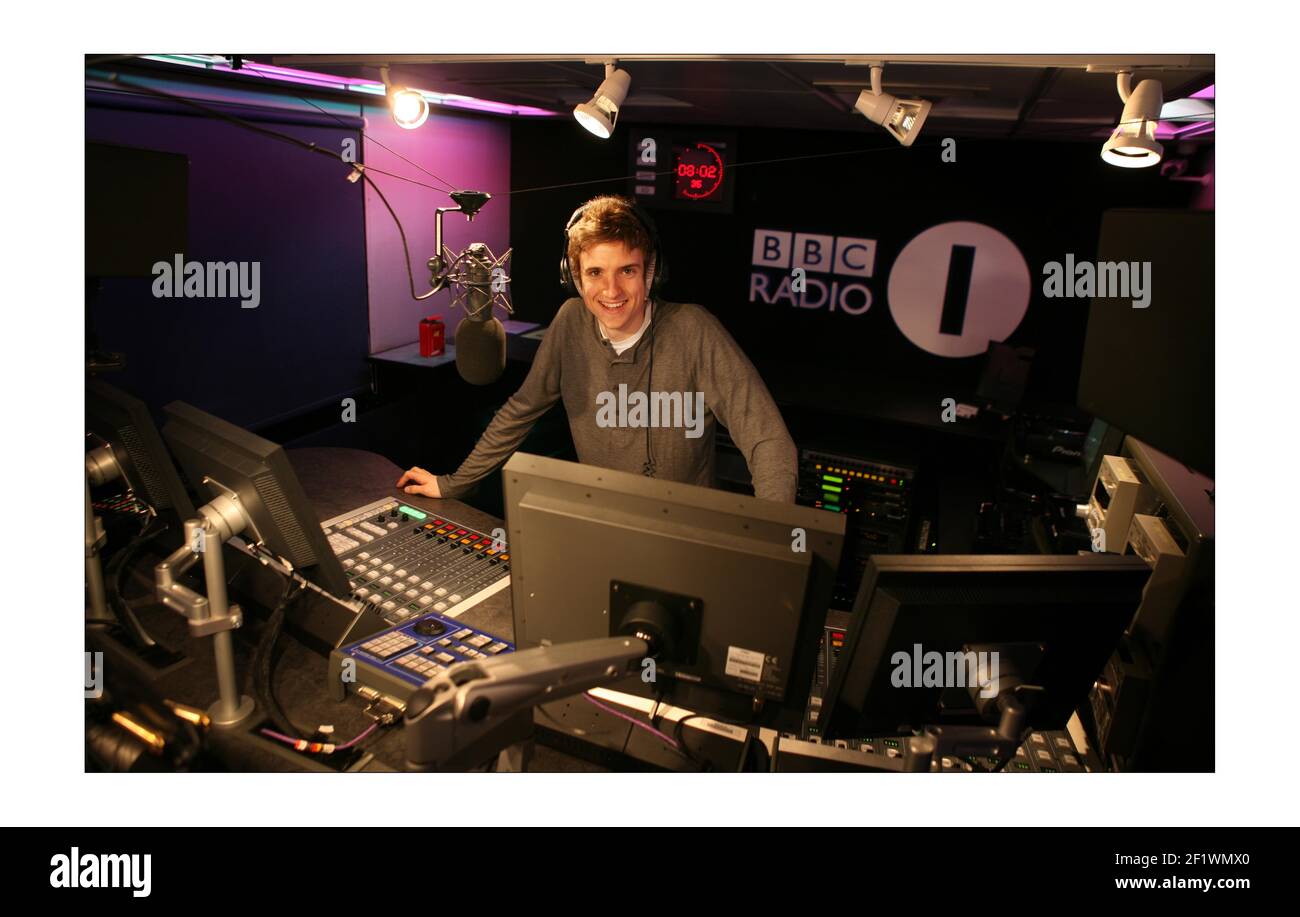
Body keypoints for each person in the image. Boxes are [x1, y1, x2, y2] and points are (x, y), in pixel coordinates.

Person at [396, 194, 797, 503]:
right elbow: (521, 410)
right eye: (595, 273)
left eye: (627, 270)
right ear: (575, 277)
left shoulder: (694, 330)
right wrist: (454, 484)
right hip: (603, 527)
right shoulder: (571, 322)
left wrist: (769, 539)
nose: (611, 291)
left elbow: (767, 439)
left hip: (686, 535)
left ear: (651, 272)